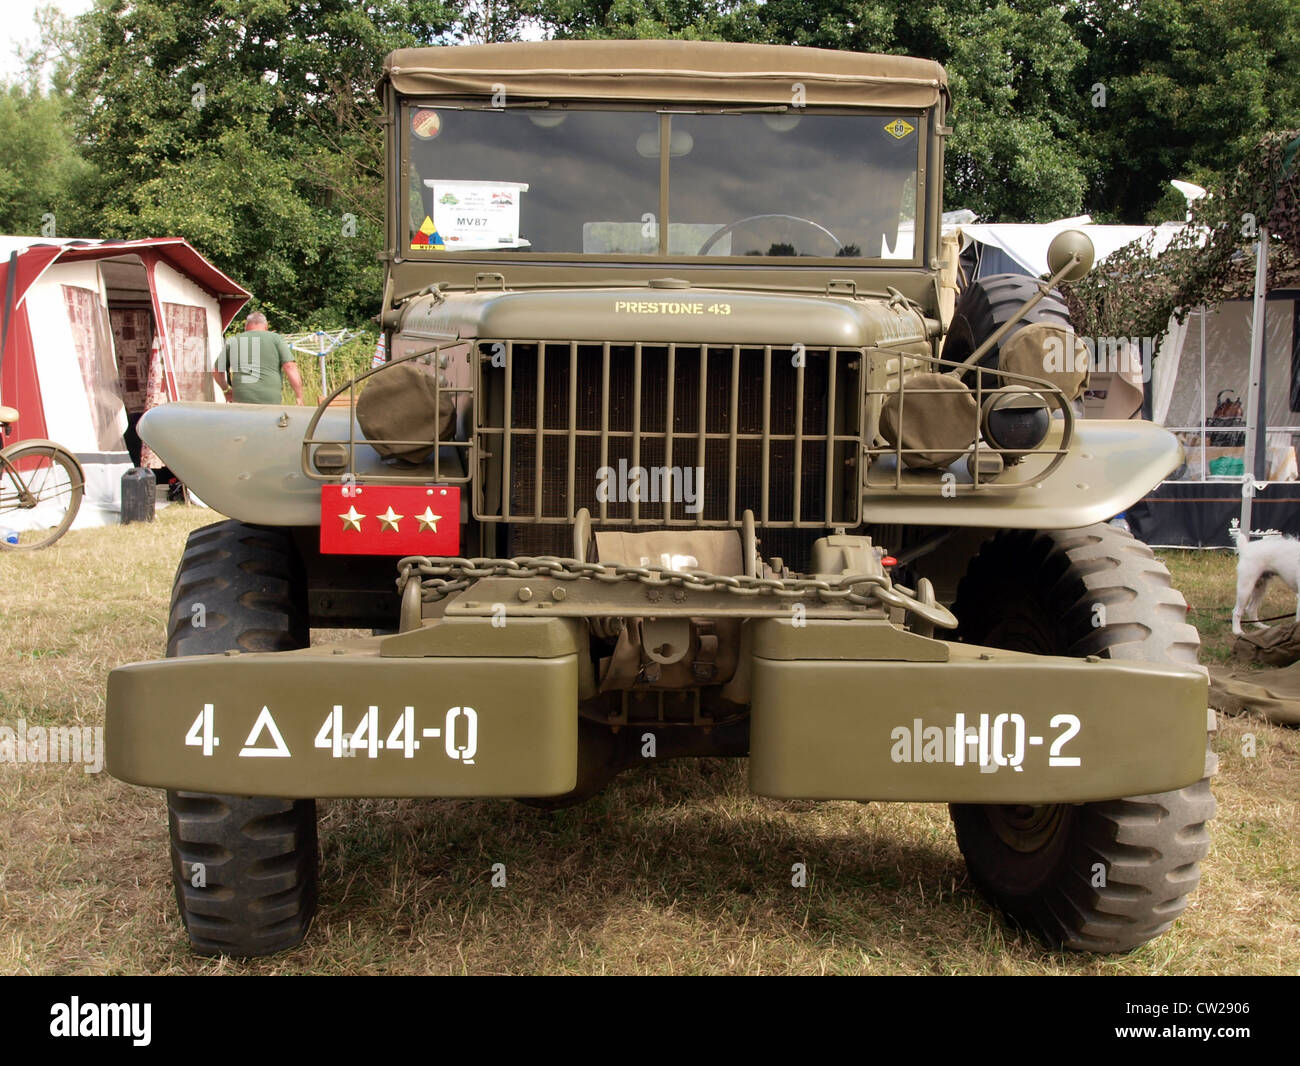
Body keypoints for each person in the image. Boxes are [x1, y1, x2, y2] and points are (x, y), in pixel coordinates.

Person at [212, 312, 303, 404]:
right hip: (270, 400)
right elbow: (290, 366)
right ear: (266, 326)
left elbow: (216, 370)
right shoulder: (276, 339)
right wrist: (299, 396)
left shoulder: (233, 340)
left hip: (241, 400)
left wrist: (226, 390)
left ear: (246, 326)